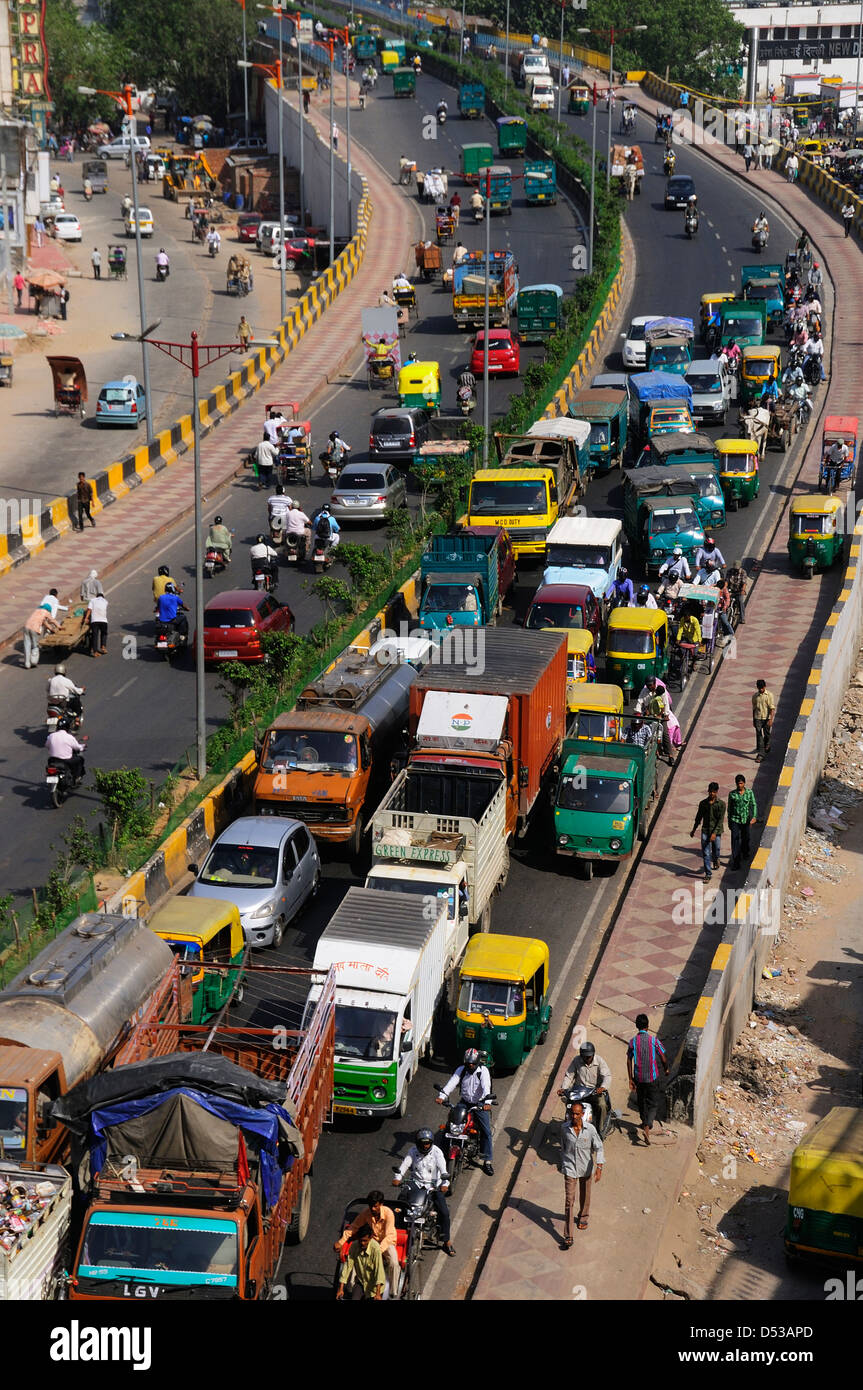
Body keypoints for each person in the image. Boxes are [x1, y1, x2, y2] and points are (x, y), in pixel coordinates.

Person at [393, 1129, 455, 1256]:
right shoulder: (413, 1151)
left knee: (444, 1212)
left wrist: (444, 1184)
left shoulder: (437, 1152)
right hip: (415, 1183)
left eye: (427, 1143)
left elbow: (444, 1170)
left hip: (433, 1186)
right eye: (423, 1143)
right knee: (400, 1204)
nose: (425, 1146)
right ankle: (396, 1232)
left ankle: (447, 1241)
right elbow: (404, 1165)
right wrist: (397, 1178)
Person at [437, 1048, 494, 1176]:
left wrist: (487, 1103)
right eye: (468, 1063)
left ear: (477, 1062)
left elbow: (486, 1087)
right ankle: (441, 1153)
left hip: (480, 1104)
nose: (470, 1066)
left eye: (473, 1063)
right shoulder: (461, 1070)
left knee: (486, 1131)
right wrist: (442, 1096)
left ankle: (487, 1160)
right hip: (464, 1102)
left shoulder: (483, 1071)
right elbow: (452, 1083)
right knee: (450, 1125)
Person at [335, 1192, 400, 1298]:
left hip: (387, 1242)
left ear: (381, 1204)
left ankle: (393, 1293)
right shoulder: (366, 1213)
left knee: (394, 1263)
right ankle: (351, 1287)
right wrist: (341, 1241)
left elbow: (389, 1236)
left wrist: (378, 1250)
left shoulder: (388, 1213)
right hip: (371, 1241)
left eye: (375, 1206)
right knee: (356, 1259)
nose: (373, 1209)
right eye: (371, 1206)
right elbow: (354, 1227)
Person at [558, 1100, 604, 1245]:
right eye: (572, 1113)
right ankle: (568, 1235)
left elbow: (599, 1147)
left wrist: (599, 1167)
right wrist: (563, 1163)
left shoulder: (590, 1129)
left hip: (586, 1167)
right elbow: (563, 1146)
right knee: (569, 1200)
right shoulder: (564, 1128)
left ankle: (583, 1217)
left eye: (577, 1114)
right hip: (570, 1168)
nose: (574, 1116)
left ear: (582, 1114)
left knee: (585, 1194)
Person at [626, 1014, 669, 1145]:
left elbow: (628, 1060)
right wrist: (666, 1069)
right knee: (653, 1103)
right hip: (652, 1077)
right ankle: (647, 1125)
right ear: (648, 1026)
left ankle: (644, 1122)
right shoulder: (653, 1041)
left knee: (642, 1101)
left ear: (636, 1026)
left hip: (639, 1078)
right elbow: (663, 1058)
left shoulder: (633, 1042)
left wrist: (630, 1078)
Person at [559, 1039, 612, 1134]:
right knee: (569, 1105)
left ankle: (600, 1131)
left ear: (593, 1055)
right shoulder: (576, 1060)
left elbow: (607, 1076)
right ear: (581, 1055)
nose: (587, 1059)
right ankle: (568, 1125)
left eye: (589, 1057)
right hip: (579, 1092)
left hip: (594, 1092)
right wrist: (564, 1088)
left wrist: (602, 1087)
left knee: (602, 1105)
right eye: (584, 1057)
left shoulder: (599, 1061)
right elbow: (569, 1075)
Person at [690, 780, 724, 883]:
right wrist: (694, 829)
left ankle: (716, 859)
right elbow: (698, 817)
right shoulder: (703, 804)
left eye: (713, 792)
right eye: (710, 791)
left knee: (716, 849)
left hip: (716, 831)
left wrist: (714, 833)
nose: (711, 794)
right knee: (706, 853)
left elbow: (720, 820)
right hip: (705, 831)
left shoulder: (721, 804)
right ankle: (708, 874)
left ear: (716, 792)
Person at [728, 774, 757, 871]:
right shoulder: (732, 794)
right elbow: (730, 809)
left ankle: (745, 852)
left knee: (746, 837)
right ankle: (736, 862)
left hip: (745, 820)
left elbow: (753, 804)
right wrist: (729, 822)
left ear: (744, 783)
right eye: (738, 783)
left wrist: (754, 816)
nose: (739, 785)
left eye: (741, 783)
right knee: (735, 840)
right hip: (735, 820)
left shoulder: (749, 793)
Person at [45, 719, 86, 784]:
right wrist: (82, 747)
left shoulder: (51, 736)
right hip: (66, 760)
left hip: (53, 760)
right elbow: (77, 747)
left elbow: (47, 745)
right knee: (80, 759)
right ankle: (76, 778)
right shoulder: (69, 737)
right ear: (67, 727)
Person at [22, 604, 59, 668]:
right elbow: (52, 620)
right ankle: (33, 662)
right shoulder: (46, 612)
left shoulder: (37, 610)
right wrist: (59, 626)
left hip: (26, 627)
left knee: (27, 645)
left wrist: (51, 629)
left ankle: (27, 664)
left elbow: (45, 623)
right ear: (49, 610)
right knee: (35, 646)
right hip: (34, 629)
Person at [752, 678, 775, 760]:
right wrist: (754, 719)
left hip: (766, 718)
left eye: (762, 688)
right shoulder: (755, 696)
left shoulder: (769, 695)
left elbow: (772, 708)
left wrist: (771, 719)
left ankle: (767, 745)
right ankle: (761, 754)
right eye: (759, 688)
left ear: (765, 686)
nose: (761, 690)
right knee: (759, 736)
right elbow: (754, 708)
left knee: (767, 734)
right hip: (758, 718)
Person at [87, 591, 109, 656]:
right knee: (104, 633)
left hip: (95, 620)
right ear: (103, 597)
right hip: (104, 620)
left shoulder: (92, 600)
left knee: (95, 635)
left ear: (96, 596)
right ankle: (103, 647)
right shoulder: (106, 601)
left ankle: (95, 652)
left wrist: (86, 618)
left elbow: (89, 610)